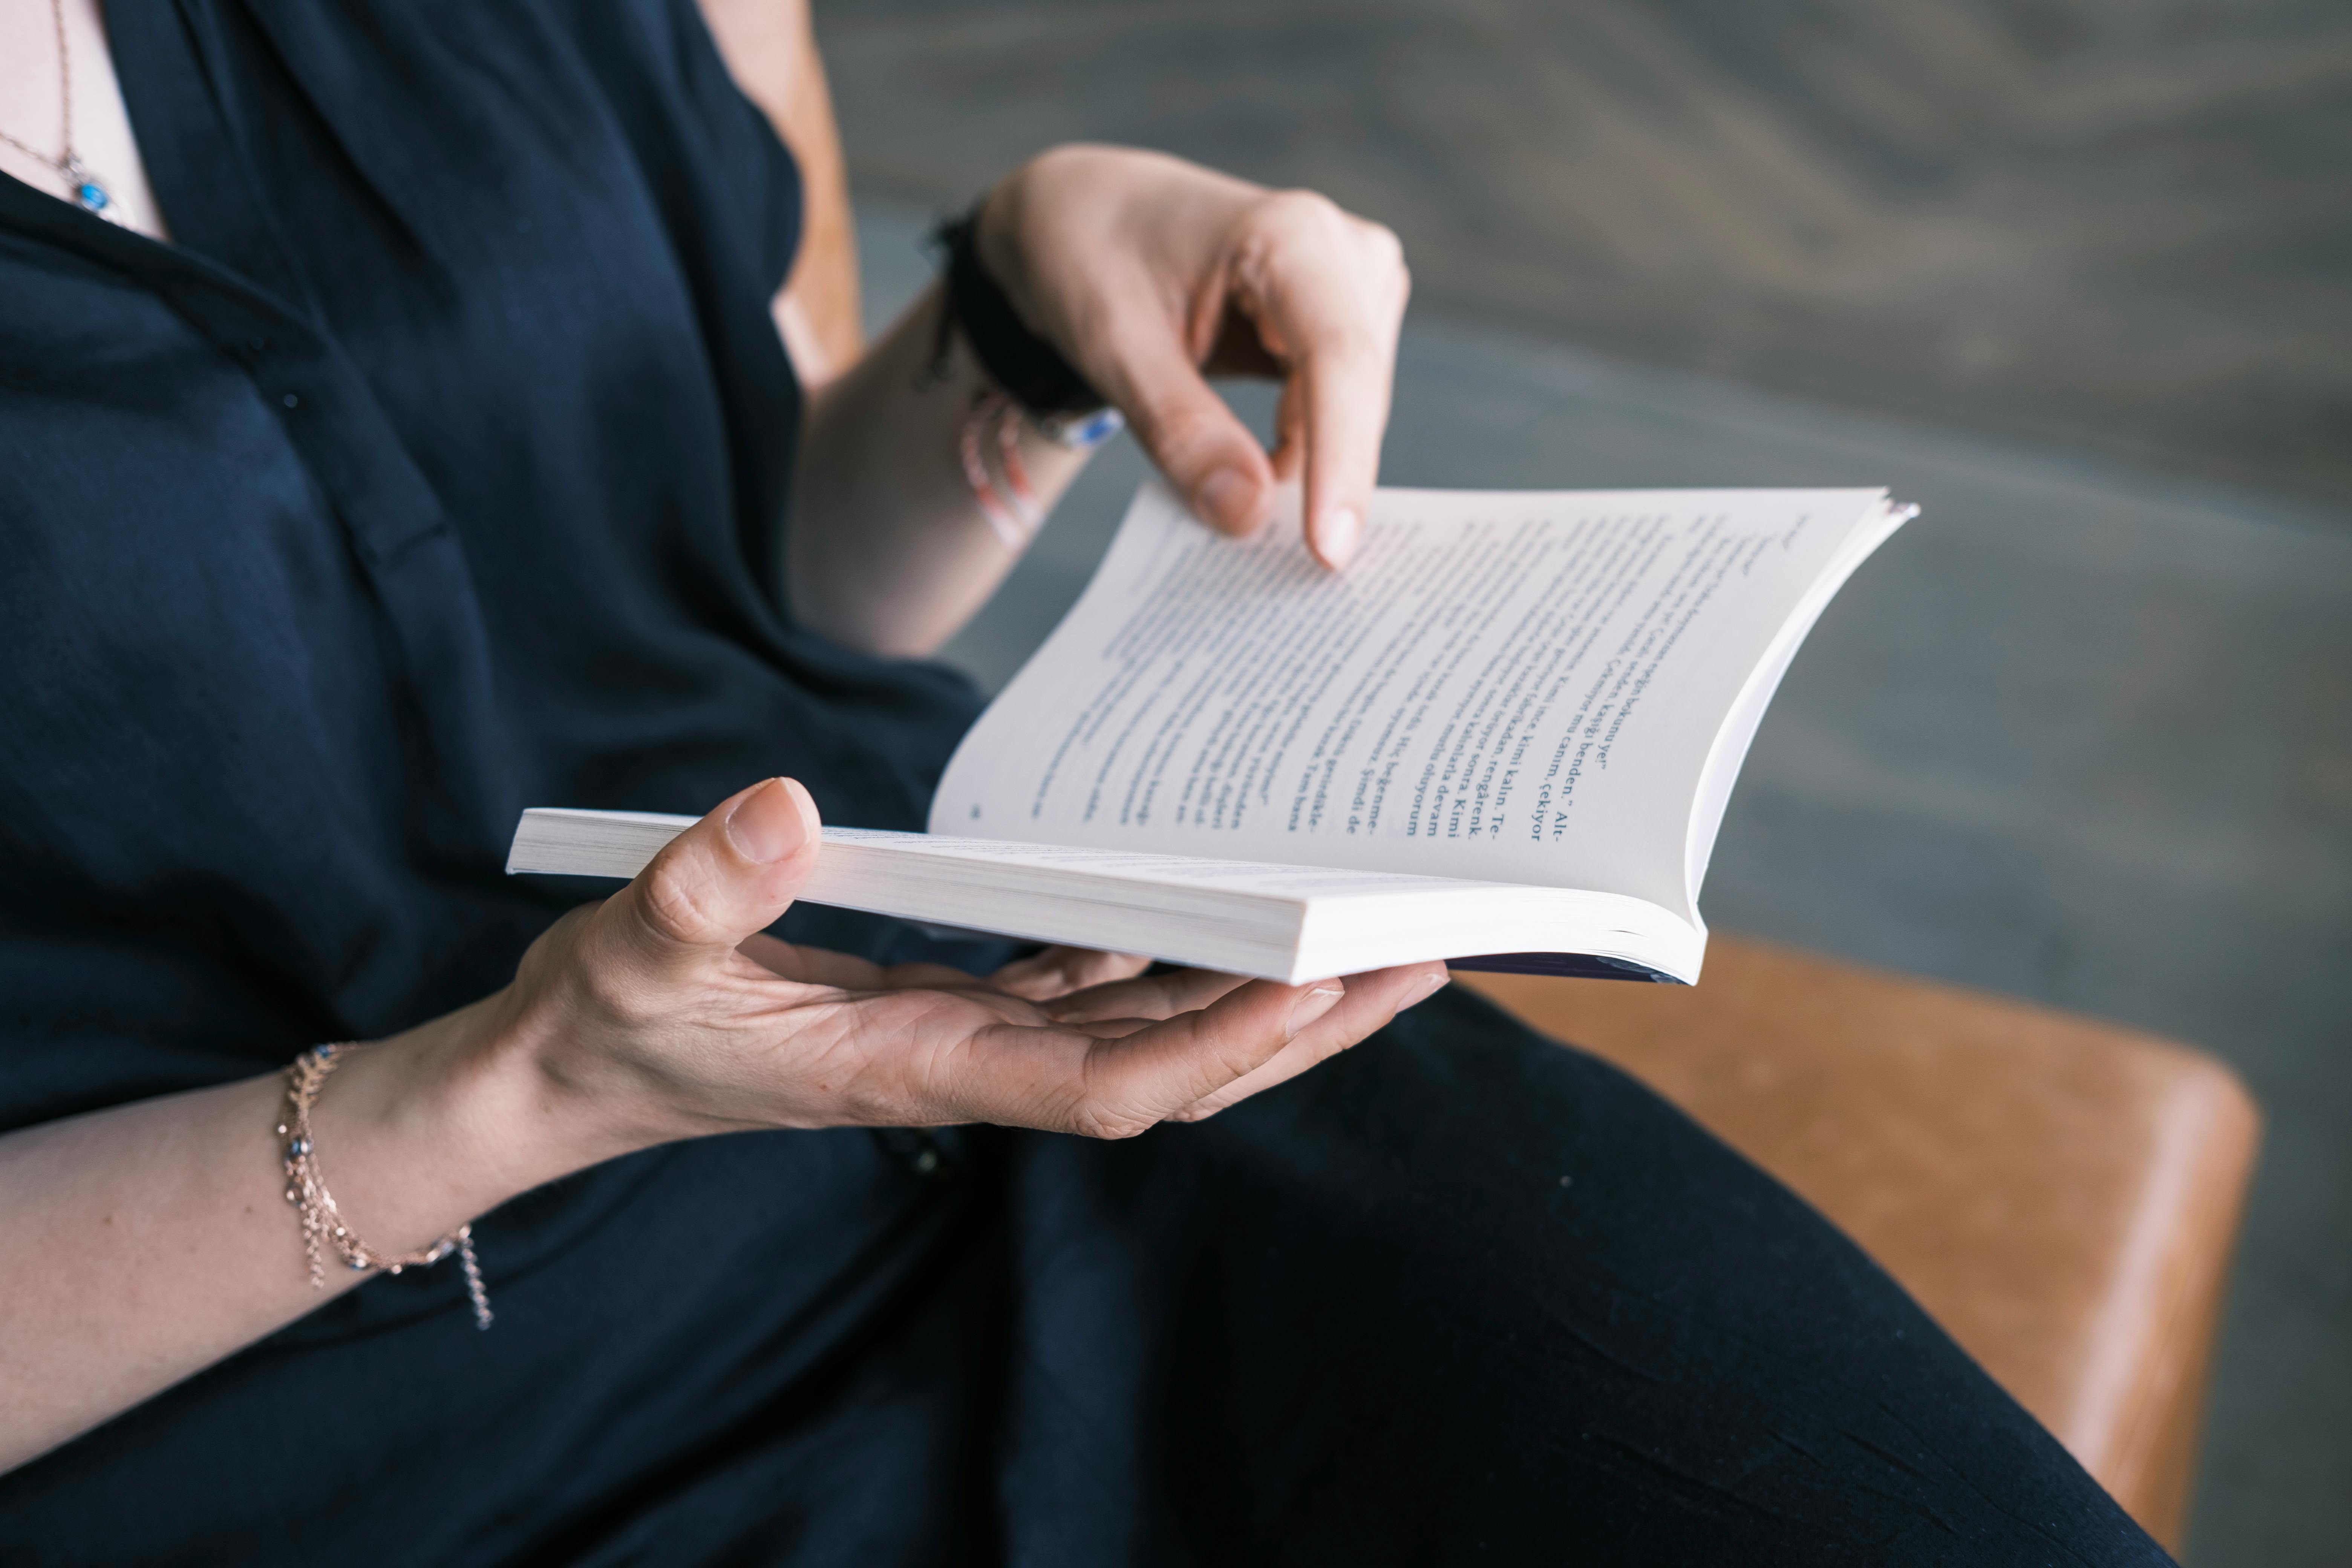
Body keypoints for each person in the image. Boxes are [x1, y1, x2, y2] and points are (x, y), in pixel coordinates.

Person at [0, 1, 2174, 1562]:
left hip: (1094, 1087)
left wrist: (1021, 349)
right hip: (399, 1426)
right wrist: (518, 1092)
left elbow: (716, 582)